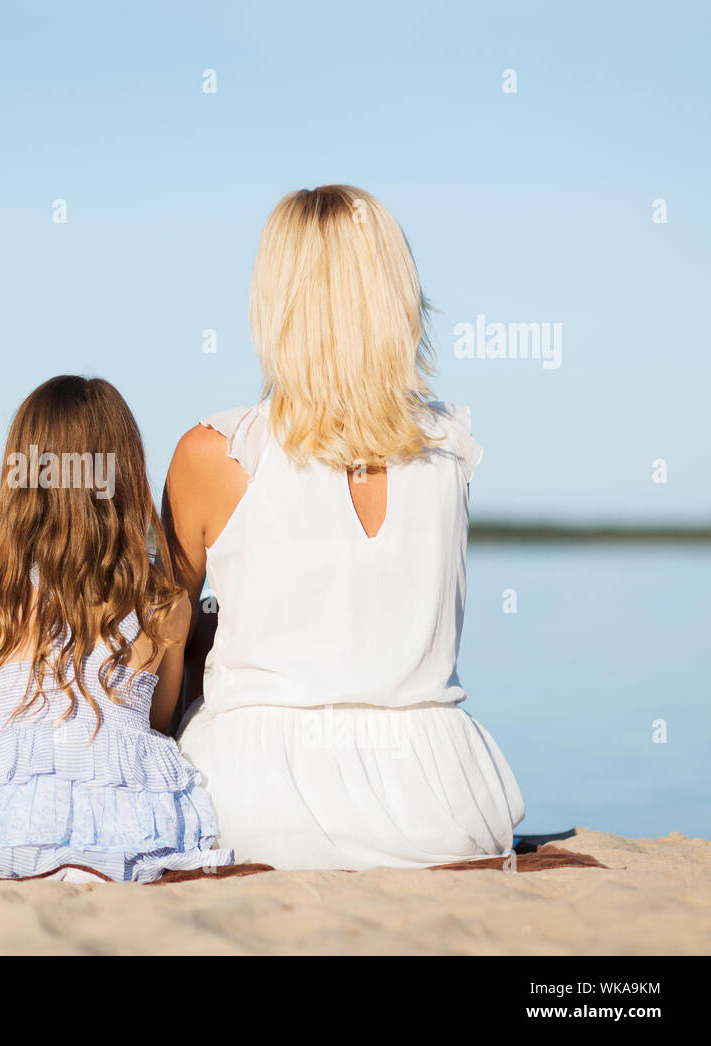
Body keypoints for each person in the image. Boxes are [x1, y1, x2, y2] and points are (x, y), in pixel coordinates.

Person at [164, 185, 524, 870]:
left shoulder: (216, 453)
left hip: (256, 795)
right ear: (394, 294)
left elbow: (164, 645)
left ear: (276, 300)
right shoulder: (453, 445)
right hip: (440, 796)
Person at [0, 376, 234, 881]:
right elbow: (159, 726)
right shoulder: (165, 608)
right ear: (127, 478)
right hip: (130, 836)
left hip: (2, 836)